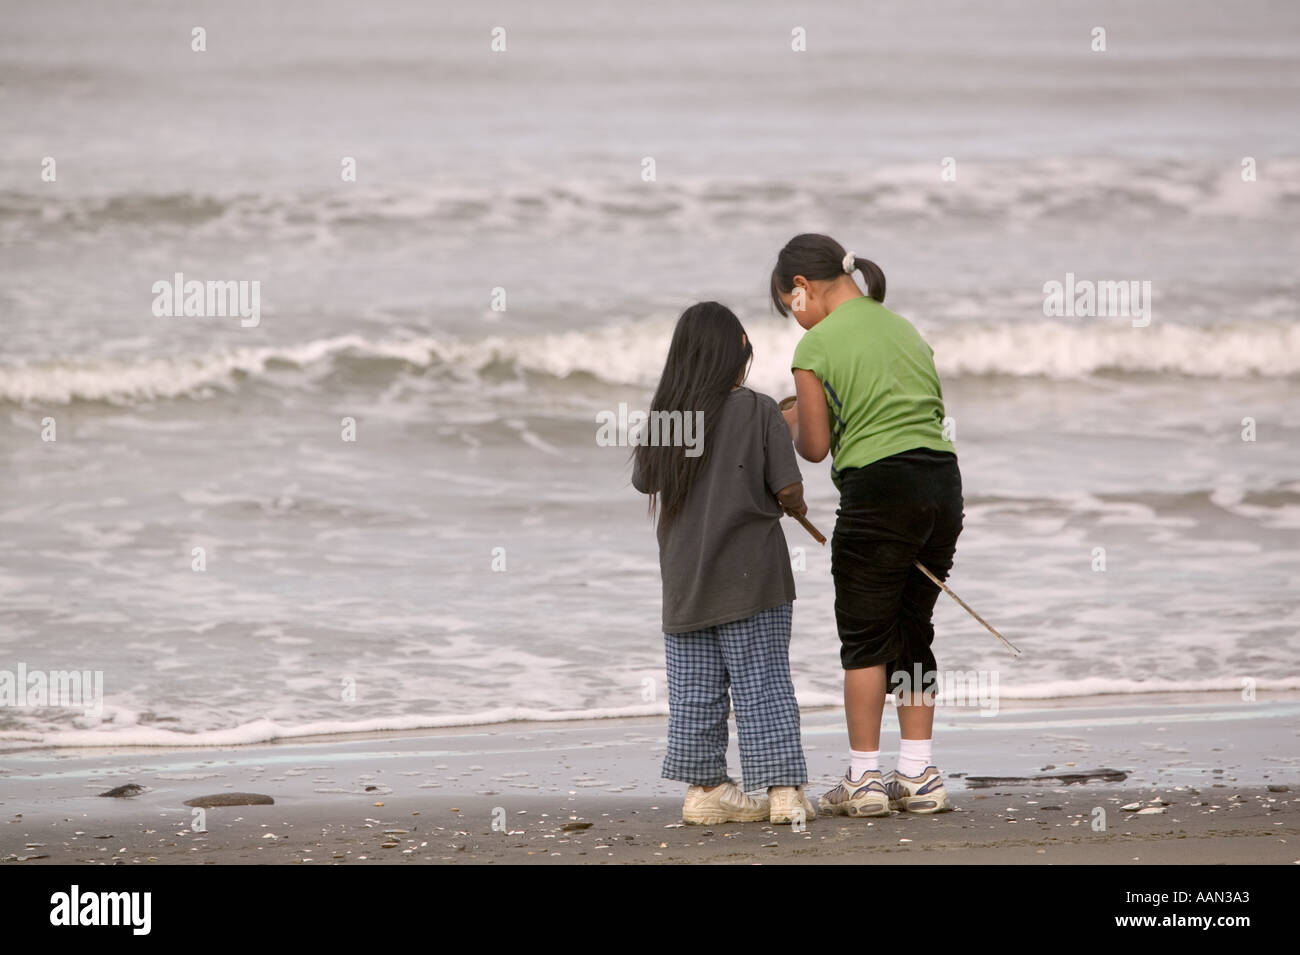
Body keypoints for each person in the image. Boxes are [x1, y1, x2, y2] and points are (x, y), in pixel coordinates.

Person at [771, 233, 963, 817]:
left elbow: (815, 447)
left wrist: (788, 420)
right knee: (912, 630)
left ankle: (863, 778)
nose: (793, 319)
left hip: (879, 490)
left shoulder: (816, 347)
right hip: (942, 484)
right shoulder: (903, 327)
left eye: (788, 306)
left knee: (864, 638)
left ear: (802, 288)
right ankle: (918, 771)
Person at [631, 301, 815, 826]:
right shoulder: (759, 410)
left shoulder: (669, 418)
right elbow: (789, 491)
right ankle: (783, 794)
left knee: (694, 688)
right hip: (751, 576)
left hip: (686, 580)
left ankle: (706, 790)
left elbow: (646, 481)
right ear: (736, 354)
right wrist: (793, 502)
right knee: (762, 682)